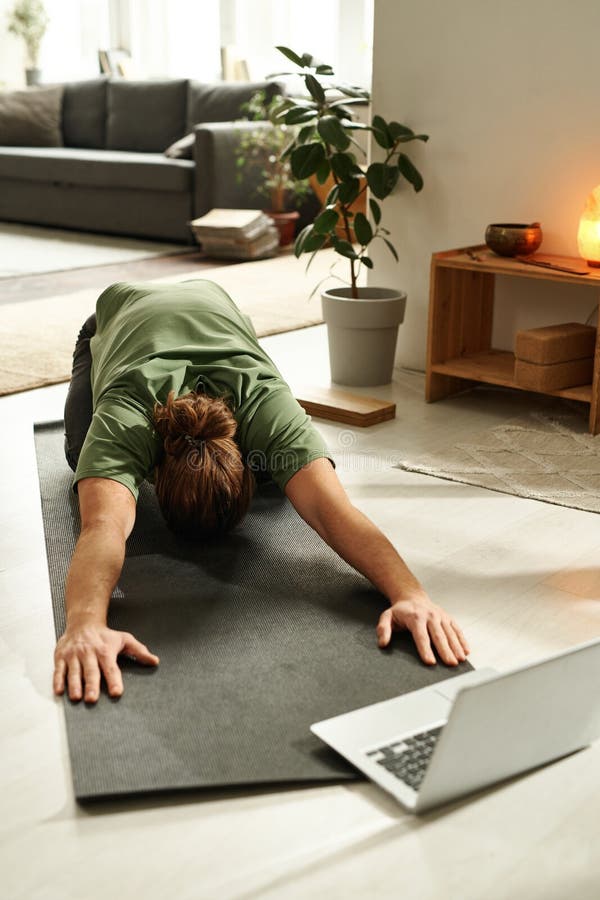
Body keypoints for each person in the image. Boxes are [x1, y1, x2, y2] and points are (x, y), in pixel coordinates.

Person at [54, 279, 470, 704]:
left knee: (281, 473)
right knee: (79, 456)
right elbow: (102, 527)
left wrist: (411, 595)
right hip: (115, 319)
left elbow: (332, 511)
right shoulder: (127, 415)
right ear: (157, 467)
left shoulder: (265, 401)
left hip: (219, 313)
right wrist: (85, 625)